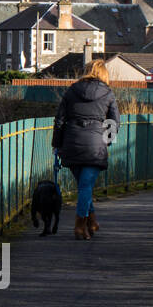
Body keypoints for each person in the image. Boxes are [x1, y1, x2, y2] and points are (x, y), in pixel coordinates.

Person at [52, 58, 119, 240]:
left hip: (71, 143)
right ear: (103, 74)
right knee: (85, 187)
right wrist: (107, 142)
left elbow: (59, 120)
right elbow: (114, 122)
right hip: (95, 145)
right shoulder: (107, 93)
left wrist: (57, 144)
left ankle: (92, 221)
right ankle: (79, 225)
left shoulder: (72, 90)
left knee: (84, 187)